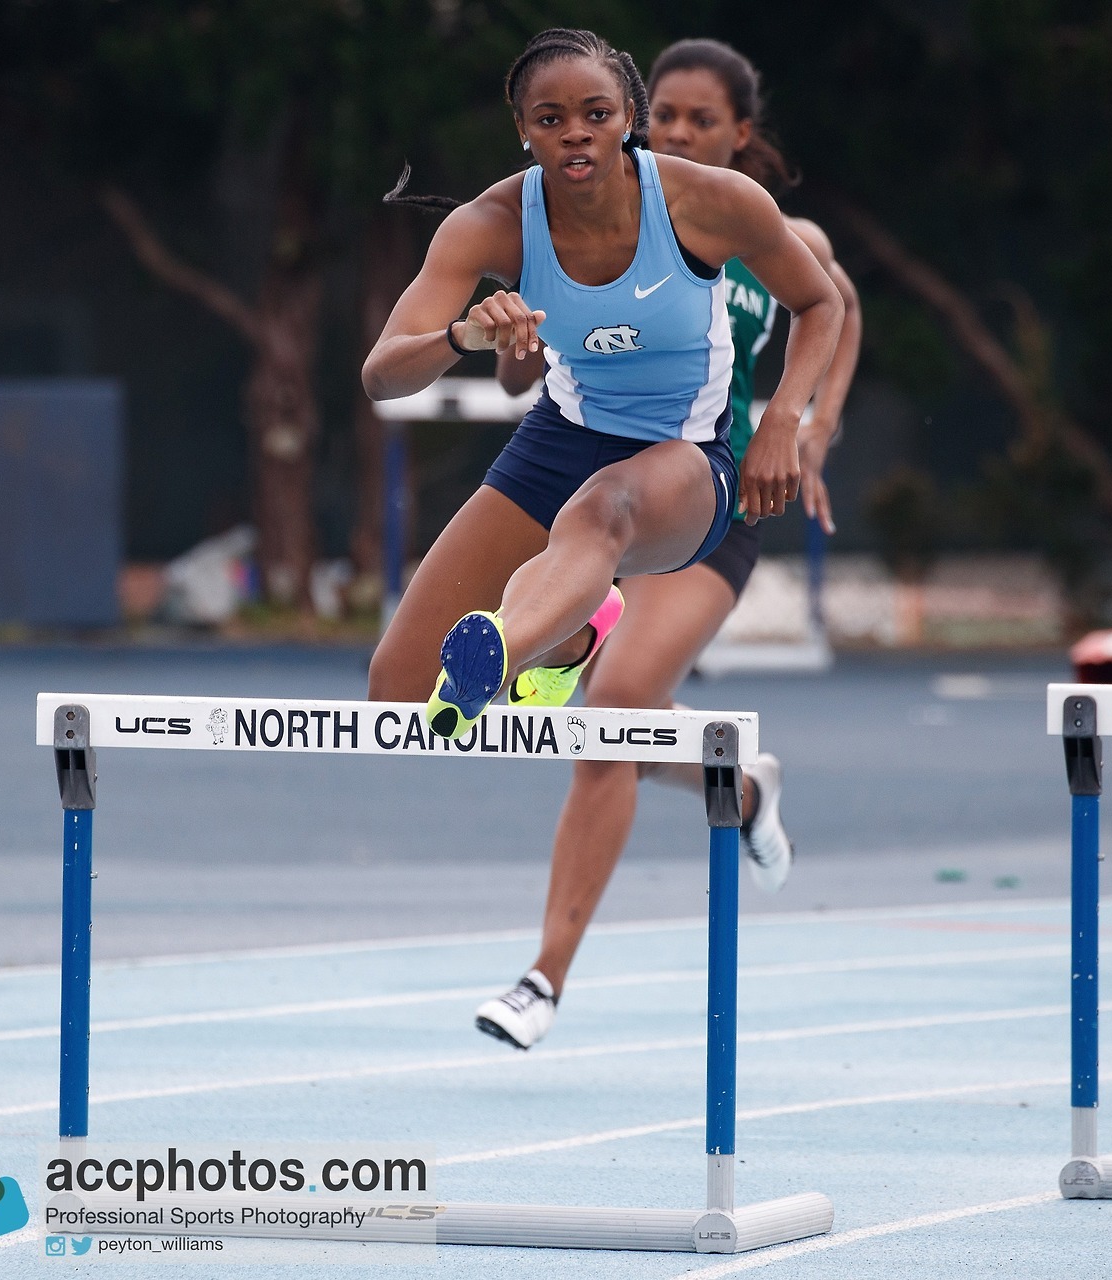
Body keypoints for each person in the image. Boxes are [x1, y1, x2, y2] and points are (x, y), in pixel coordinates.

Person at [473, 38, 861, 1051]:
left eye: (700, 121)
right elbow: (538, 362)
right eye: (665, 119)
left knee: (613, 712)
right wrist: (514, 341)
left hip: (712, 503)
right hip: (611, 492)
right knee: (616, 709)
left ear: (742, 134)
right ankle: (735, 774)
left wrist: (803, 424)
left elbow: (837, 308)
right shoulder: (614, 220)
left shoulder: (763, 225)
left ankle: (540, 977)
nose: (676, 133)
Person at [363, 30, 843, 759]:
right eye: (550, 119)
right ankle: (572, 637)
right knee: (395, 701)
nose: (575, 133)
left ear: (628, 117)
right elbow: (383, 374)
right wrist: (462, 338)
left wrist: (782, 420)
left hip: (686, 453)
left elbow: (823, 304)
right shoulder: (490, 226)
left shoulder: (707, 204)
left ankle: (500, 656)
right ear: (523, 132)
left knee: (600, 508)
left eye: (595, 113)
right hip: (564, 437)